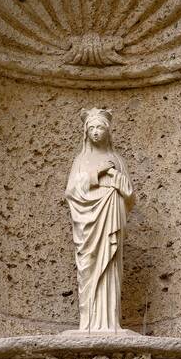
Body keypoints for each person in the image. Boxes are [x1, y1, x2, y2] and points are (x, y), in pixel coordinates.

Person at [64, 108, 135, 331]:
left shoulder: (118, 160)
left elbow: (130, 196)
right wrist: (98, 174)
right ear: (86, 132)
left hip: (112, 217)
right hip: (88, 224)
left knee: (111, 266)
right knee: (88, 267)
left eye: (100, 127)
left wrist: (116, 180)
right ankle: (89, 323)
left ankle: (110, 322)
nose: (96, 132)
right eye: (91, 128)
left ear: (108, 131)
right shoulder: (81, 160)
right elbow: (72, 191)